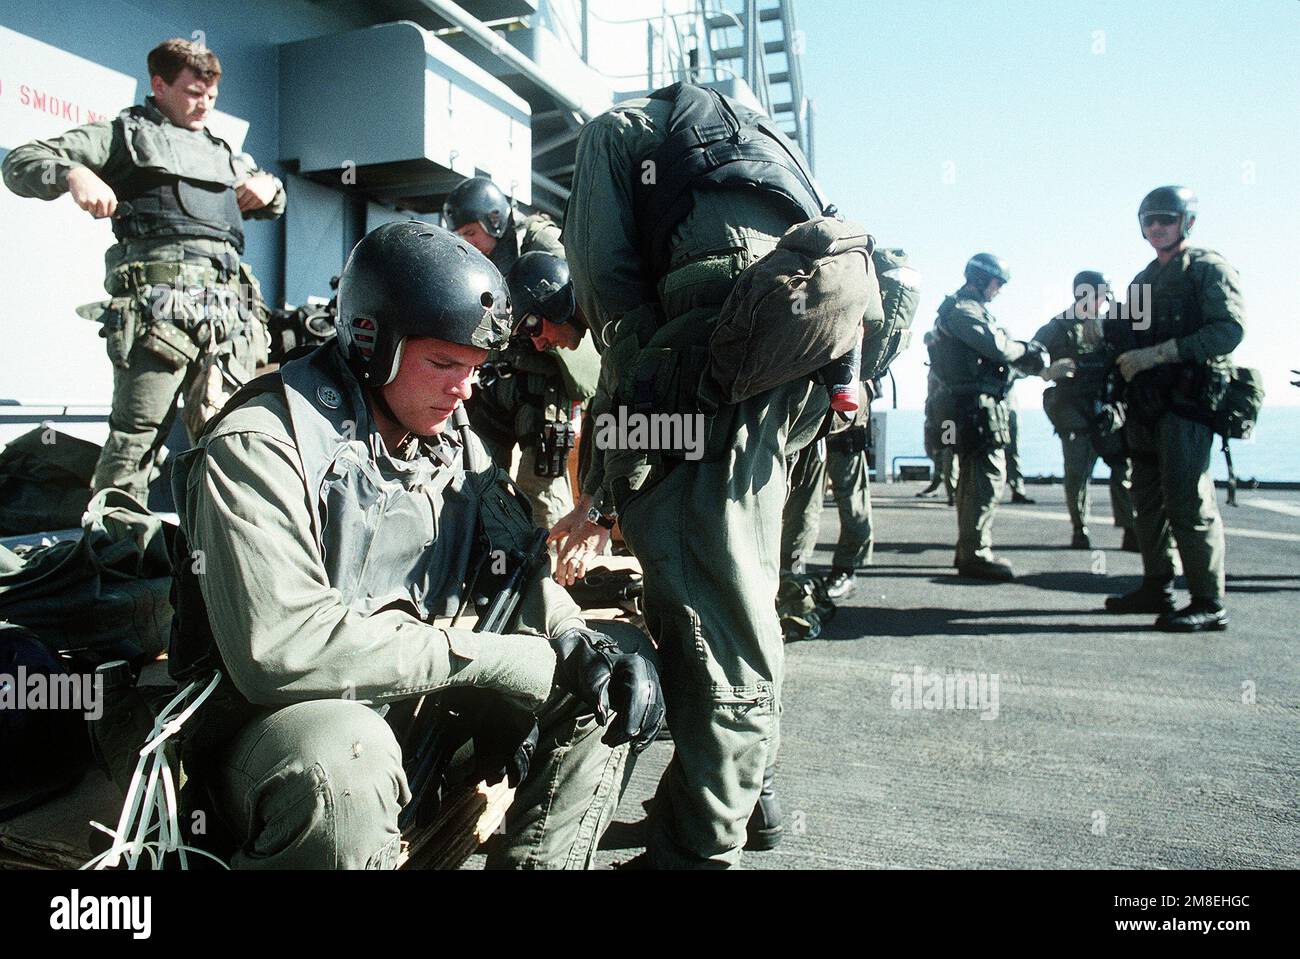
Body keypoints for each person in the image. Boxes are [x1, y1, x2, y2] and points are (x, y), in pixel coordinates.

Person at [167, 222, 664, 869]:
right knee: (346, 761)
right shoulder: (263, 441)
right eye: (444, 363)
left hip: (410, 698)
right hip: (276, 724)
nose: (465, 389)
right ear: (372, 342)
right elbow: (280, 648)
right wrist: (493, 657)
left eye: (475, 368)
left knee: (601, 687)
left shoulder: (446, 432)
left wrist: (573, 634)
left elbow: (516, 559)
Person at [558, 82, 841, 867]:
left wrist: (608, 487)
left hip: (707, 361)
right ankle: (750, 801)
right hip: (797, 361)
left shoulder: (614, 132)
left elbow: (611, 300)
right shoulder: (761, 140)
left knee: (708, 622)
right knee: (743, 598)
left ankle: (697, 849)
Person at [2, 39, 284, 505]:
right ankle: (114, 552)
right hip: (160, 316)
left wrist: (266, 185)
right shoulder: (123, 135)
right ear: (159, 84)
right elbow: (21, 161)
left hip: (232, 316)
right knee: (136, 440)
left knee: (235, 439)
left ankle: (218, 555)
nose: (204, 105)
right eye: (193, 93)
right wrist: (74, 174)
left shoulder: (221, 151)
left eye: (211, 96)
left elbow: (273, 203)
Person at [1103, 186, 1244, 632]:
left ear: (1186, 222)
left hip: (1188, 401)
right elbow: (1131, 336)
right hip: (1147, 403)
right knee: (1145, 497)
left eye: (1166, 218)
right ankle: (1156, 586)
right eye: (1149, 221)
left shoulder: (1206, 269)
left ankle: (1208, 601)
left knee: (1187, 498)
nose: (1157, 227)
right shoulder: (1144, 280)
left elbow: (1228, 331)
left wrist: (1163, 353)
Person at [928, 253, 1047, 580]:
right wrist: (1026, 349)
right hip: (974, 407)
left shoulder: (964, 310)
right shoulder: (965, 312)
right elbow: (998, 347)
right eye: (997, 283)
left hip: (966, 406)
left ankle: (969, 550)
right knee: (986, 479)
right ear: (981, 280)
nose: (999, 290)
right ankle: (976, 554)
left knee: (972, 481)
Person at [466, 251, 602, 528]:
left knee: (543, 495)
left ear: (554, 302)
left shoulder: (612, 319)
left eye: (534, 326)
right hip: (500, 393)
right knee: (479, 482)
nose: (539, 343)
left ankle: (548, 567)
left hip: (546, 402)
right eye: (528, 332)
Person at [1035, 271, 1136, 550]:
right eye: (1100, 295)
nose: (1104, 301)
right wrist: (1047, 371)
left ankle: (1130, 529)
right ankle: (1080, 529)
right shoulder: (1058, 326)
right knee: (1077, 473)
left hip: (1107, 408)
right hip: (1073, 408)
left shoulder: (1112, 324)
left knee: (1121, 466)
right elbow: (1030, 355)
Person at [782, 382, 875, 598]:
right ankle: (792, 571)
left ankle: (844, 569)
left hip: (846, 423)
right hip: (814, 423)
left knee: (852, 507)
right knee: (803, 508)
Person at [442, 175, 563, 274]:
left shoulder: (544, 241)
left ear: (493, 220)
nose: (469, 243)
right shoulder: (490, 261)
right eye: (462, 236)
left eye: (471, 233)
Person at [920, 330, 958, 504]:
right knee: (936, 451)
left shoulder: (946, 366)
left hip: (947, 419)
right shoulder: (937, 366)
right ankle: (941, 484)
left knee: (949, 451)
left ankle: (953, 492)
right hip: (936, 416)